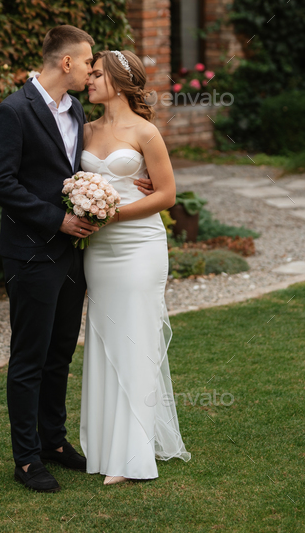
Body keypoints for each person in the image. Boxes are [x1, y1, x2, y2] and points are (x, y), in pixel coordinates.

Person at [0, 26, 154, 492]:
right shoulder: (13, 111)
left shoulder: (77, 110)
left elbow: (86, 167)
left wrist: (131, 183)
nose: (89, 70)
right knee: (29, 357)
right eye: (86, 63)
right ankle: (25, 459)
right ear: (66, 63)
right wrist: (54, 221)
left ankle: (53, 442)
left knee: (60, 352)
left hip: (73, 254)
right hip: (30, 252)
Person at [80, 49, 191, 484]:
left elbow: (166, 195)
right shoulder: (82, 129)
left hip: (140, 245)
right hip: (99, 251)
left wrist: (115, 215)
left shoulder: (146, 131)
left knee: (134, 337)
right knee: (104, 338)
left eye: (95, 74)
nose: (89, 80)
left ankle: (133, 457)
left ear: (119, 83)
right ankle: (106, 447)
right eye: (88, 74)